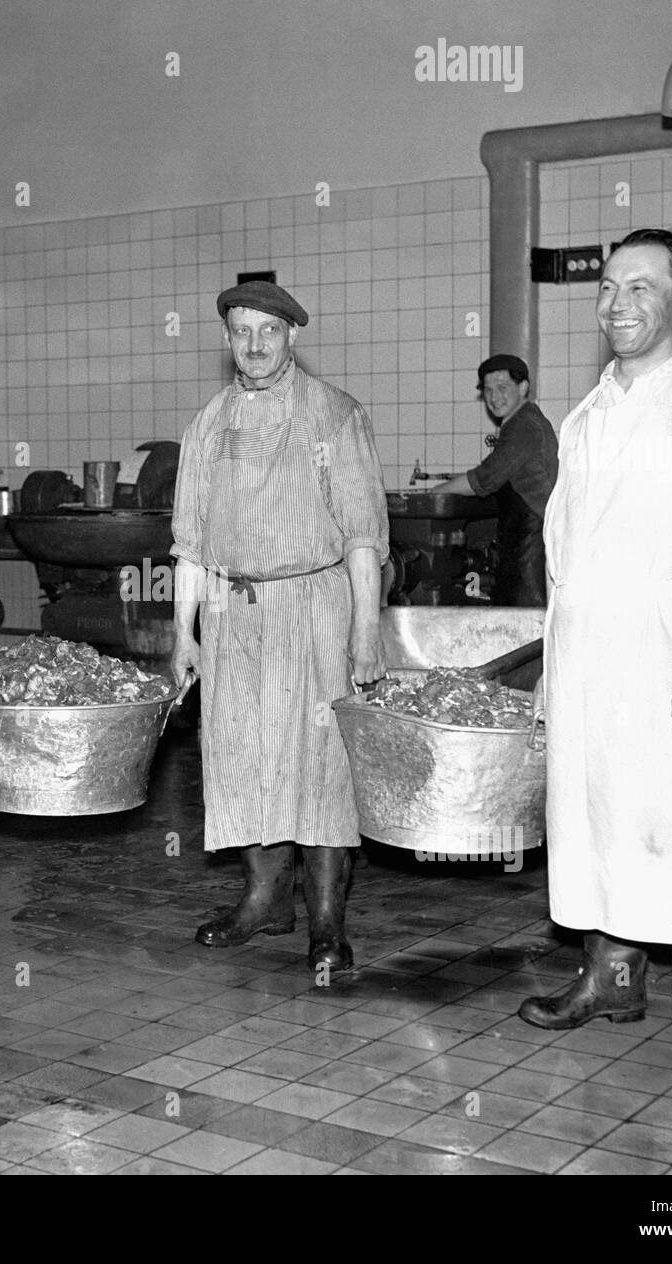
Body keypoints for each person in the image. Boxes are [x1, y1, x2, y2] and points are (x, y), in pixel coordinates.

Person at [519, 229, 672, 1086]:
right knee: (596, 818)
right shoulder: (586, 415)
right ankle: (609, 981)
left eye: (641, 286)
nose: (618, 302)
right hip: (590, 660)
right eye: (608, 288)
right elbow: (568, 553)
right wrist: (557, 664)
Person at [170, 280, 389, 972]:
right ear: (227, 338)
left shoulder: (333, 416)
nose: (255, 345)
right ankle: (265, 901)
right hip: (232, 616)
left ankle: (327, 921)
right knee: (240, 759)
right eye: (242, 332)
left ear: (293, 334)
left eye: (269, 331)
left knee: (321, 769)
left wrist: (365, 630)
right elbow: (189, 546)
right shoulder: (207, 425)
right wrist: (184, 633)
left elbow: (362, 536)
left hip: (314, 612)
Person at [434, 354, 558, 605]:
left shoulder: (524, 425)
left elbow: (483, 479)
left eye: (502, 388)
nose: (494, 398)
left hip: (533, 544)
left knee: (525, 625)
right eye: (488, 390)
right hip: (528, 541)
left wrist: (434, 493)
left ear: (523, 388)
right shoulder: (523, 422)